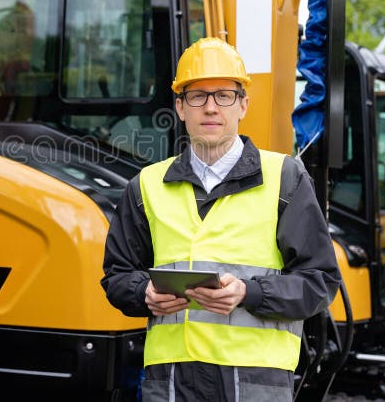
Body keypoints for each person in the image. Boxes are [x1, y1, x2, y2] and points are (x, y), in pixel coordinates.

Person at [101, 37, 340, 401]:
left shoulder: (284, 178)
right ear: (180, 108)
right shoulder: (145, 186)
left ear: (243, 105)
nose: (210, 108)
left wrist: (249, 292)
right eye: (197, 96)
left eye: (224, 95)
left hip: (255, 382)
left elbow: (319, 281)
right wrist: (143, 292)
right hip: (171, 382)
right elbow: (117, 275)